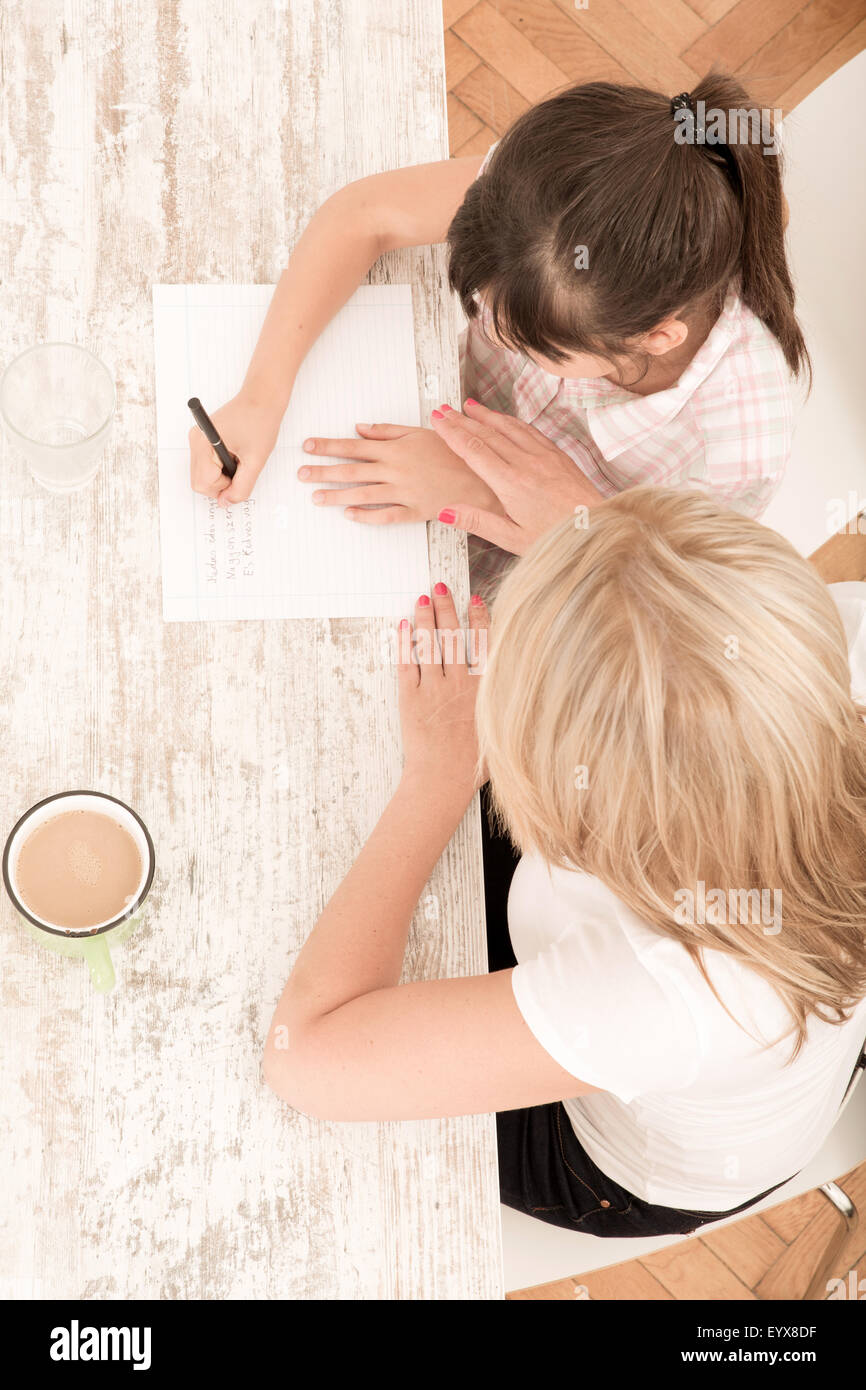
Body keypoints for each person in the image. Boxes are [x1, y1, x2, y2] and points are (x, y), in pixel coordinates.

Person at [262, 488, 866, 1236]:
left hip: (604, 1156)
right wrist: (619, 566)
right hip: (753, 1045)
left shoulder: (667, 989)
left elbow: (306, 1055)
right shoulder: (832, 650)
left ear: (585, 809)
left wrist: (439, 773)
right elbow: (692, 648)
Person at [189, 73, 805, 600]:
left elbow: (660, 601)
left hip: (532, 593)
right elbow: (364, 215)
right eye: (485, 305)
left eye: (536, 347)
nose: (492, 329)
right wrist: (262, 394)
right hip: (418, 416)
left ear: (656, 337)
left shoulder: (742, 439)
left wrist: (478, 488)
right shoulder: (551, 195)